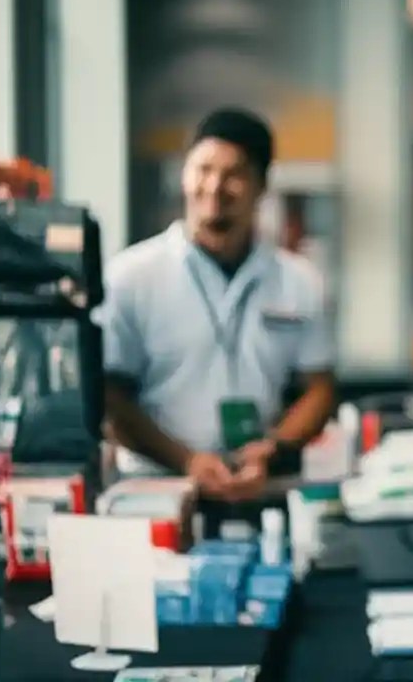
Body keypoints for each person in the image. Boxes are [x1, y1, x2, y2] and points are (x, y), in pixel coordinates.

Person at [98, 107, 336, 502]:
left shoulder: (298, 280)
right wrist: (187, 461)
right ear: (184, 174)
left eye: (234, 173)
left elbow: (320, 390)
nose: (215, 186)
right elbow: (108, 399)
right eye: (203, 168)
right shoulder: (129, 277)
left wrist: (273, 449)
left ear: (261, 186)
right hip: (156, 492)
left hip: (260, 487)